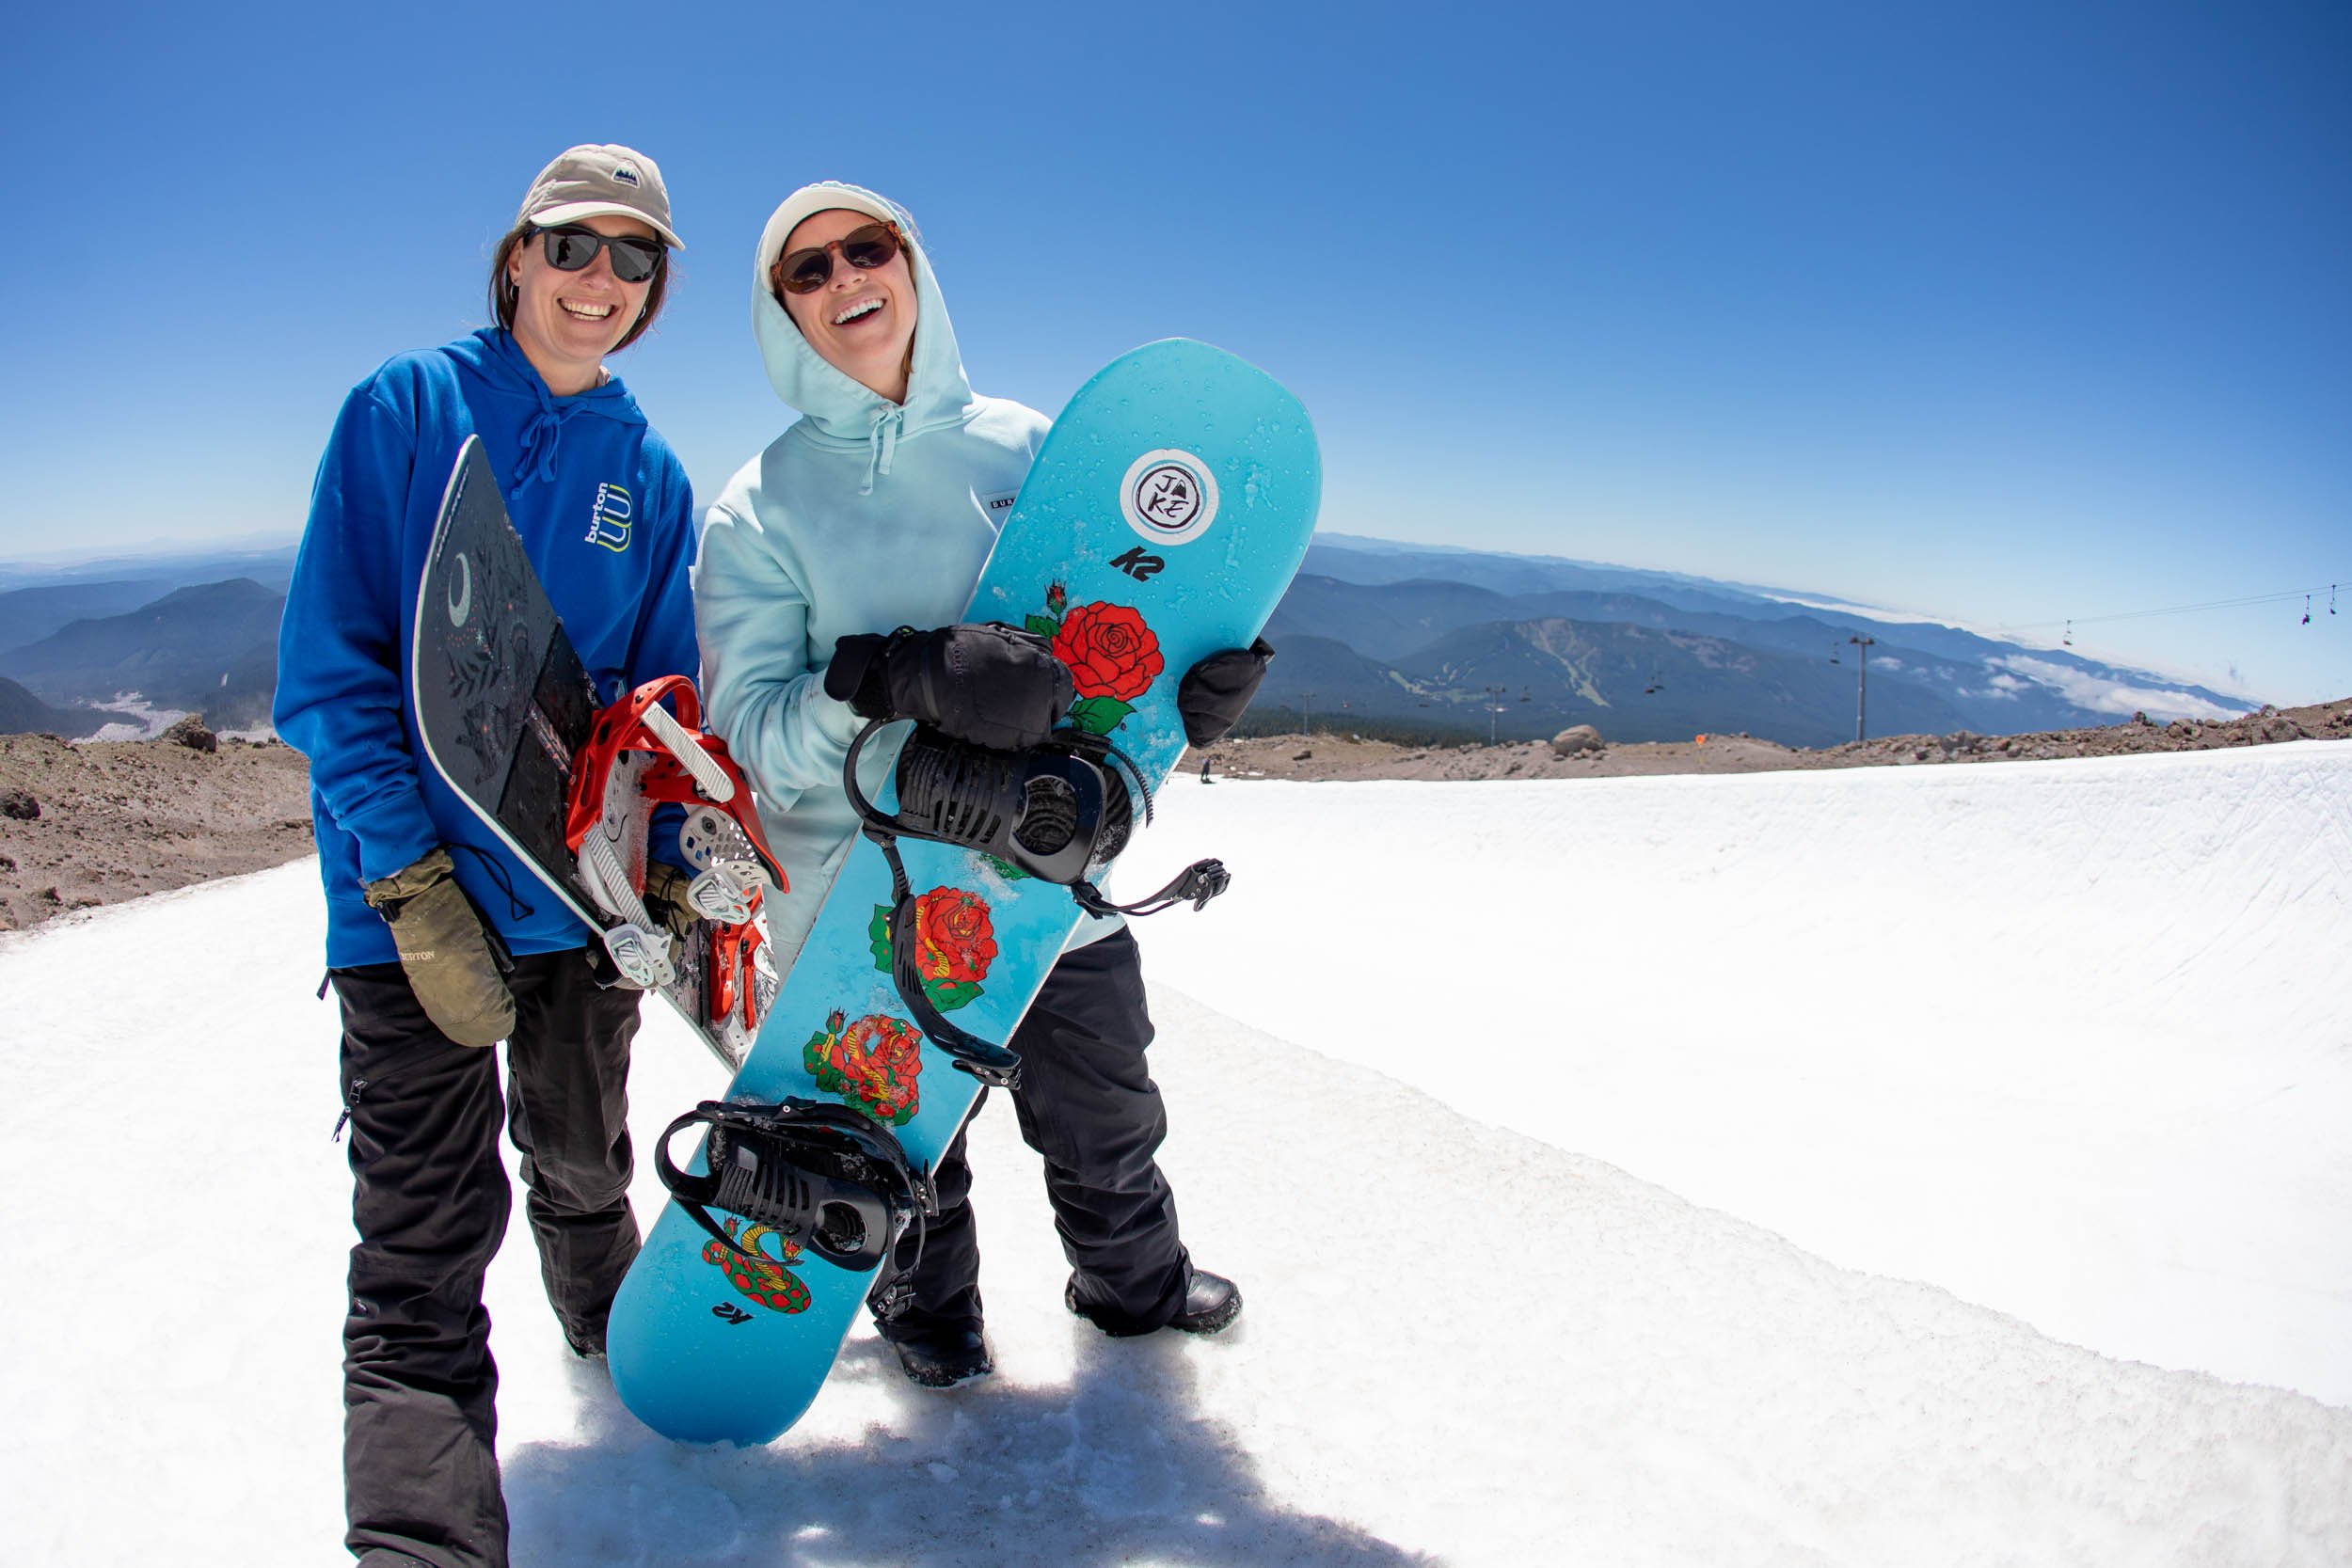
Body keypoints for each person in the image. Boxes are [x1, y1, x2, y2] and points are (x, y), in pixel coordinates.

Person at [693, 182, 1271, 1389]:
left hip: (1051, 864)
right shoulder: (758, 507)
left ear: (912, 263)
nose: (847, 277)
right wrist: (901, 677)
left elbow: (1120, 630)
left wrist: (1192, 689)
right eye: (809, 269)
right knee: (900, 1130)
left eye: (869, 246)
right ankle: (923, 1302)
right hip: (866, 890)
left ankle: (1134, 1277)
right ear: (779, 311)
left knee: (1105, 1103)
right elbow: (749, 730)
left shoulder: (1031, 446)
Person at [274, 145, 698, 1568]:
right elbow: (332, 672)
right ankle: (424, 1543)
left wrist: (676, 873)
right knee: (421, 1248)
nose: (601, 281)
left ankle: (612, 1337)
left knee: (581, 1163)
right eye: (575, 246)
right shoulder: (404, 408)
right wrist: (406, 879)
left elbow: (663, 706)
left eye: (634, 260)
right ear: (517, 254)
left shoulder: (648, 471)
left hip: (577, 905)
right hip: (404, 909)